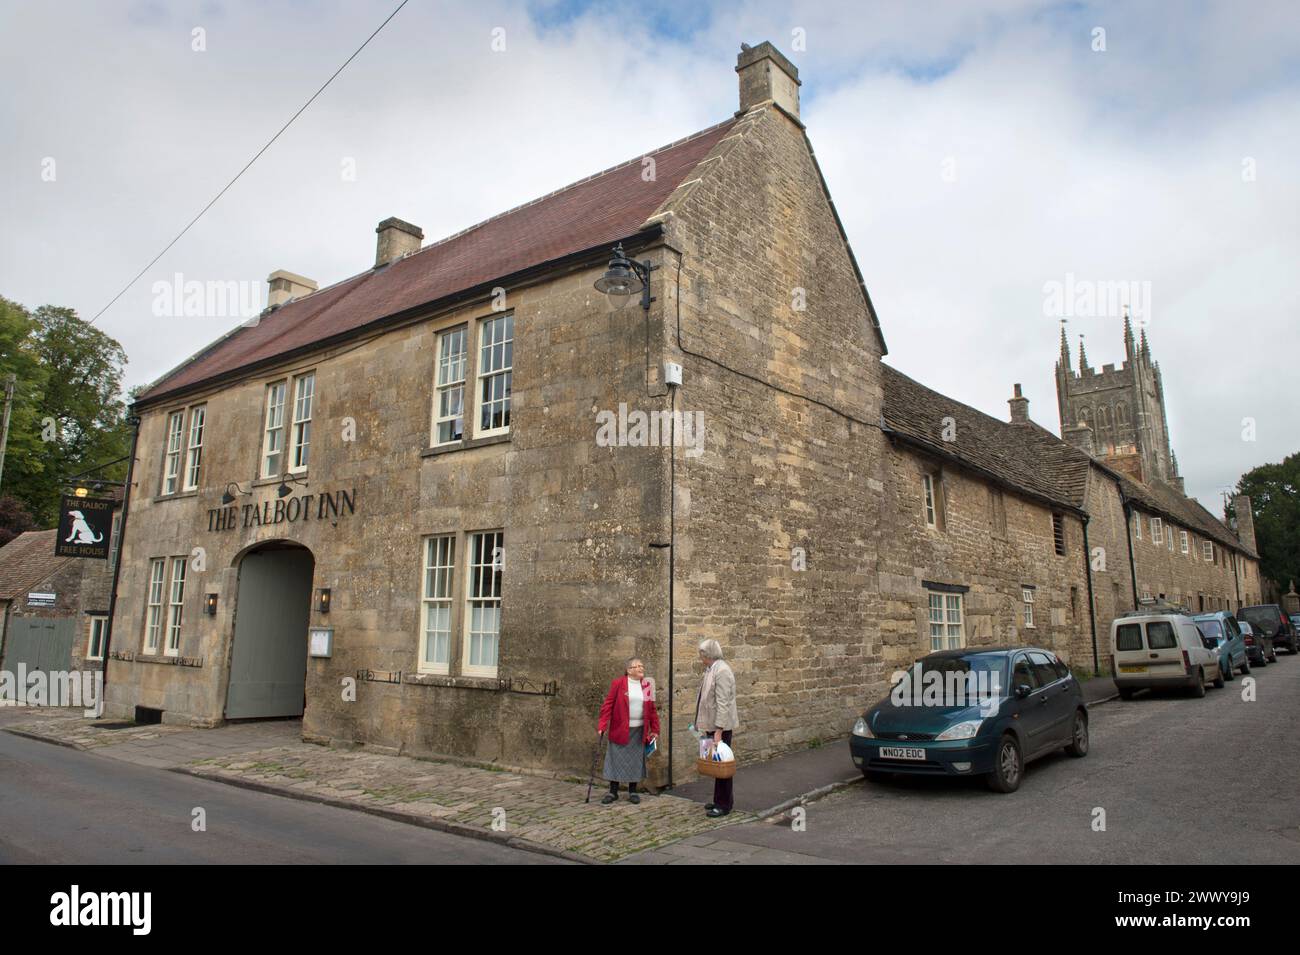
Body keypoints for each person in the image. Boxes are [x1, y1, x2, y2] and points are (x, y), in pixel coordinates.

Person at [596, 657, 660, 805]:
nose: (641, 668)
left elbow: (652, 710)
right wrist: (602, 725)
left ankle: (633, 791)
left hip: (639, 731)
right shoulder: (618, 684)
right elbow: (608, 705)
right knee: (615, 760)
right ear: (629, 670)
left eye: (642, 666)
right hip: (620, 729)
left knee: (635, 761)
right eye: (637, 666)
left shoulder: (647, 685)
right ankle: (613, 792)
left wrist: (655, 729)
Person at [695, 639, 738, 817]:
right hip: (710, 726)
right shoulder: (711, 669)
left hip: (720, 727)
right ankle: (718, 799)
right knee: (714, 763)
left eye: (702, 654)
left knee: (722, 764)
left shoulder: (722, 671)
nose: (700, 657)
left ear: (708, 654)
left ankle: (724, 804)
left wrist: (719, 730)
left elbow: (723, 702)